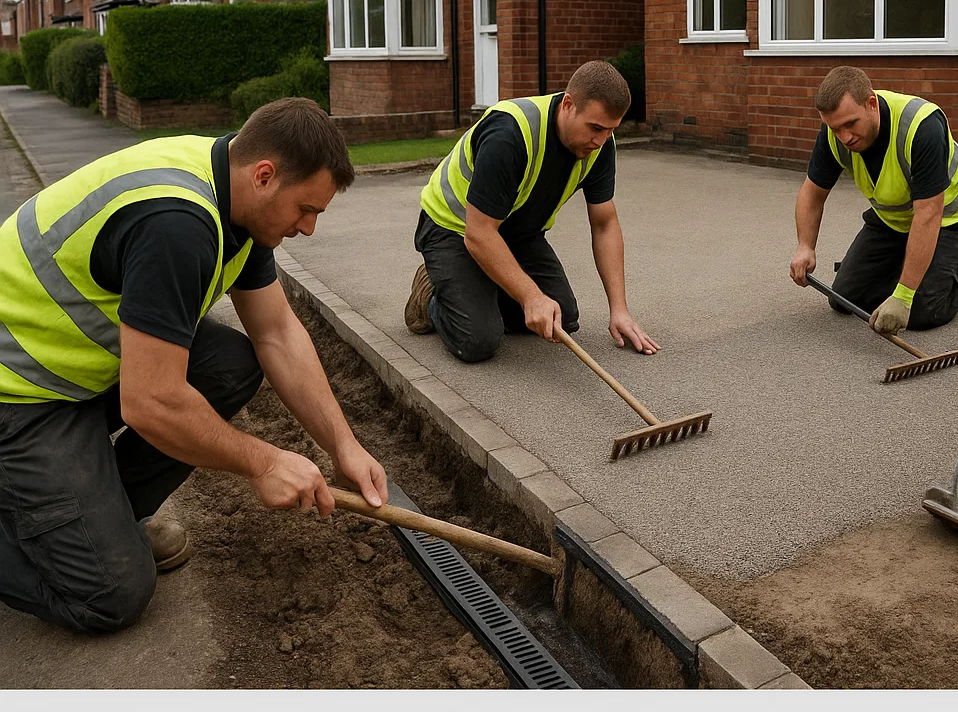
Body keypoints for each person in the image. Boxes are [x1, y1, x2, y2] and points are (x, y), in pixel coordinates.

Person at [0, 98, 388, 633]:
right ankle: (62, 536)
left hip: (78, 368)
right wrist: (265, 463)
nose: (309, 228)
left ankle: (97, 520)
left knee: (229, 364)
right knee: (112, 594)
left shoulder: (232, 192)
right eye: (307, 209)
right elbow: (149, 402)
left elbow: (277, 334)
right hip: (20, 392)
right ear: (265, 176)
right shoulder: (176, 224)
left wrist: (344, 445)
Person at [405, 60, 657, 360]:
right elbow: (478, 234)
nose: (601, 140)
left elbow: (604, 223)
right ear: (568, 104)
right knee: (477, 339)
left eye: (610, 130)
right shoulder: (509, 133)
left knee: (560, 317)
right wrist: (530, 296)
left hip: (514, 231)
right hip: (454, 229)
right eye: (595, 128)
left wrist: (619, 310)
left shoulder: (600, 144)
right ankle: (432, 293)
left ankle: (478, 283)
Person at [789, 66, 958, 334]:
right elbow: (812, 192)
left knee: (920, 312)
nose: (845, 137)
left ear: (871, 103)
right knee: (844, 299)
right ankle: (915, 266)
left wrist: (905, 295)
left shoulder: (922, 126)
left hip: (948, 217)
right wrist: (805, 246)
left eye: (851, 124)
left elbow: (928, 213)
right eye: (835, 128)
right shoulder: (835, 134)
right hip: (893, 220)